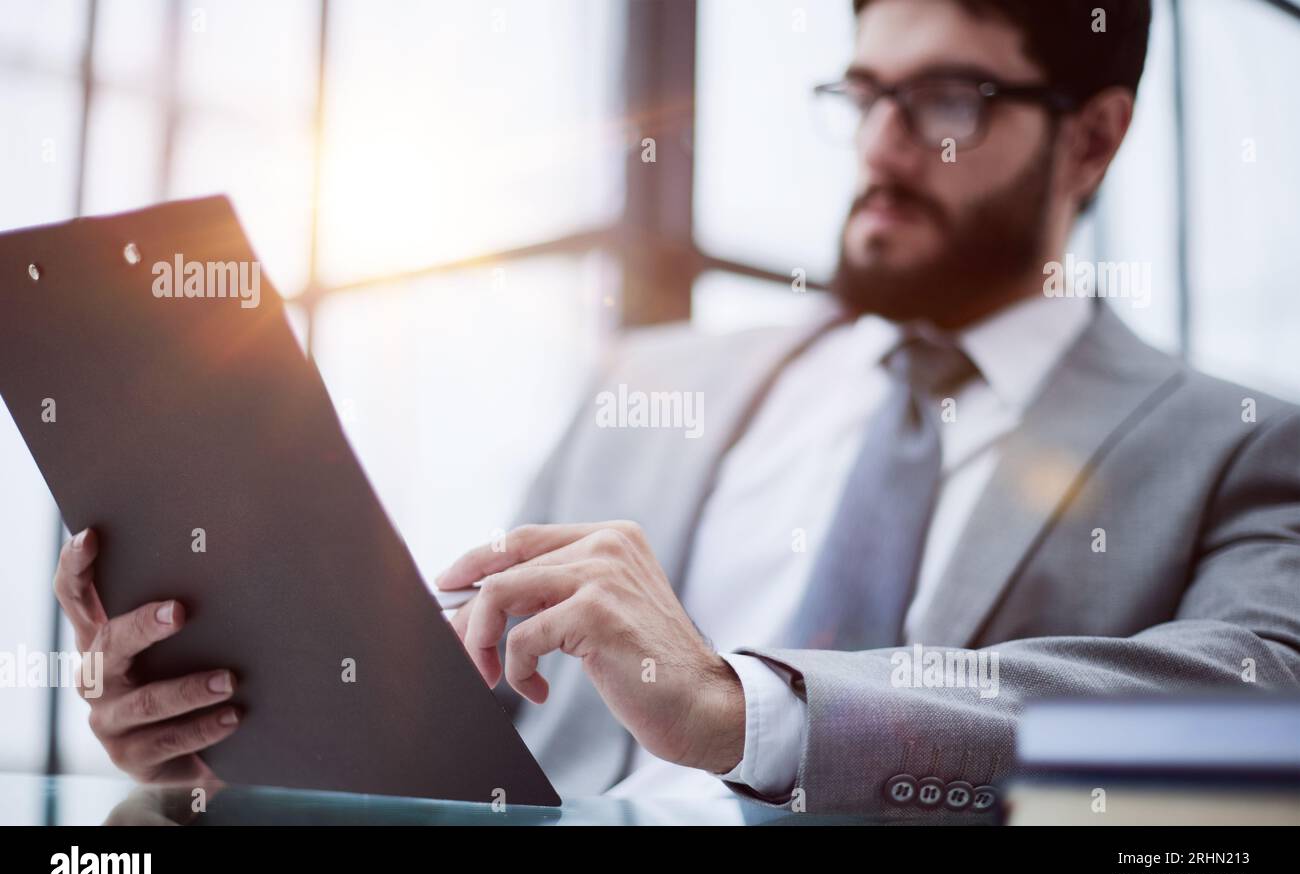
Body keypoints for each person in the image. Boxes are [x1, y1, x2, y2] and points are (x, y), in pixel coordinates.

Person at [53, 0, 1300, 816]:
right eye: (862, 96)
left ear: (1093, 136)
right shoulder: (656, 383)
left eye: (946, 103)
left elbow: (1253, 717)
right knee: (161, 819)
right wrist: (231, 720)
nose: (878, 146)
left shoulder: (1233, 442)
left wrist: (744, 708)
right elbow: (472, 699)